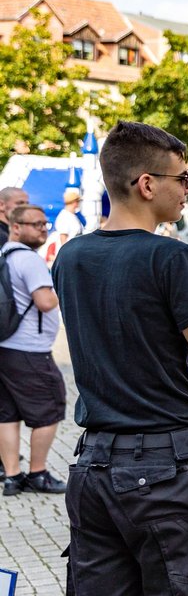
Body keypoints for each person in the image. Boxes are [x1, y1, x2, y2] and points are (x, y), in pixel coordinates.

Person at [54, 120, 188, 596]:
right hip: (168, 470)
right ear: (148, 184)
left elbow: (131, 306)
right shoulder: (171, 256)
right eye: (183, 179)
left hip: (95, 466)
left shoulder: (71, 256)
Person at [0, 204, 66, 496]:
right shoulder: (29, 260)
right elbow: (46, 302)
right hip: (30, 349)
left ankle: (12, 477)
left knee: (7, 414)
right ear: (16, 226)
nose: (42, 229)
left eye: (44, 224)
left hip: (5, 345)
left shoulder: (3, 254)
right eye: (35, 224)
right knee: (50, 409)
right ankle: (38, 473)